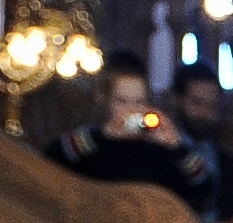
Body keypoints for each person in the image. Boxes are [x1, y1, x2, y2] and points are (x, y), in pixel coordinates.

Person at [46, 66, 212, 199]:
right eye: (121, 101)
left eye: (139, 102)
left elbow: (205, 188)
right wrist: (105, 136)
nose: (131, 110)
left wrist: (177, 147)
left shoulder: (160, 148)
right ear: (105, 100)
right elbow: (50, 160)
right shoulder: (92, 140)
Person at [163, 64, 233, 223]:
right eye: (197, 103)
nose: (204, 114)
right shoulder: (158, 158)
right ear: (177, 100)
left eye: (211, 106)